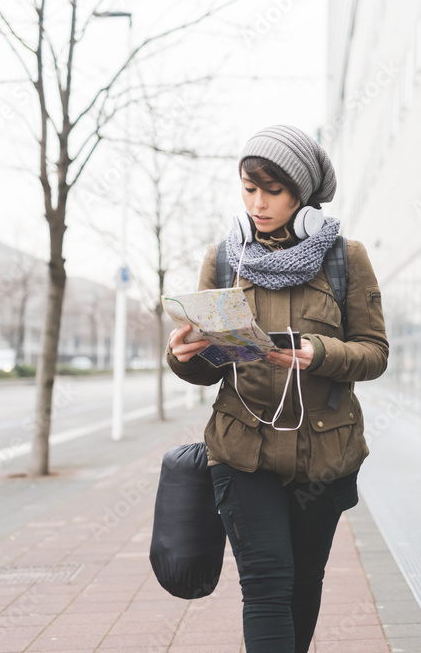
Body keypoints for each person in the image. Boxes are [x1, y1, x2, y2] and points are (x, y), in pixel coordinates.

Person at [166, 124, 389, 653]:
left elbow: (375, 353)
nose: (259, 203)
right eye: (249, 188)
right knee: (265, 585)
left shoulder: (345, 259)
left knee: (302, 587)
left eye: (274, 191)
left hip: (324, 454)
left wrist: (323, 353)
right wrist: (185, 357)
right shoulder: (224, 258)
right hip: (242, 451)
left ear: (303, 196)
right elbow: (213, 364)